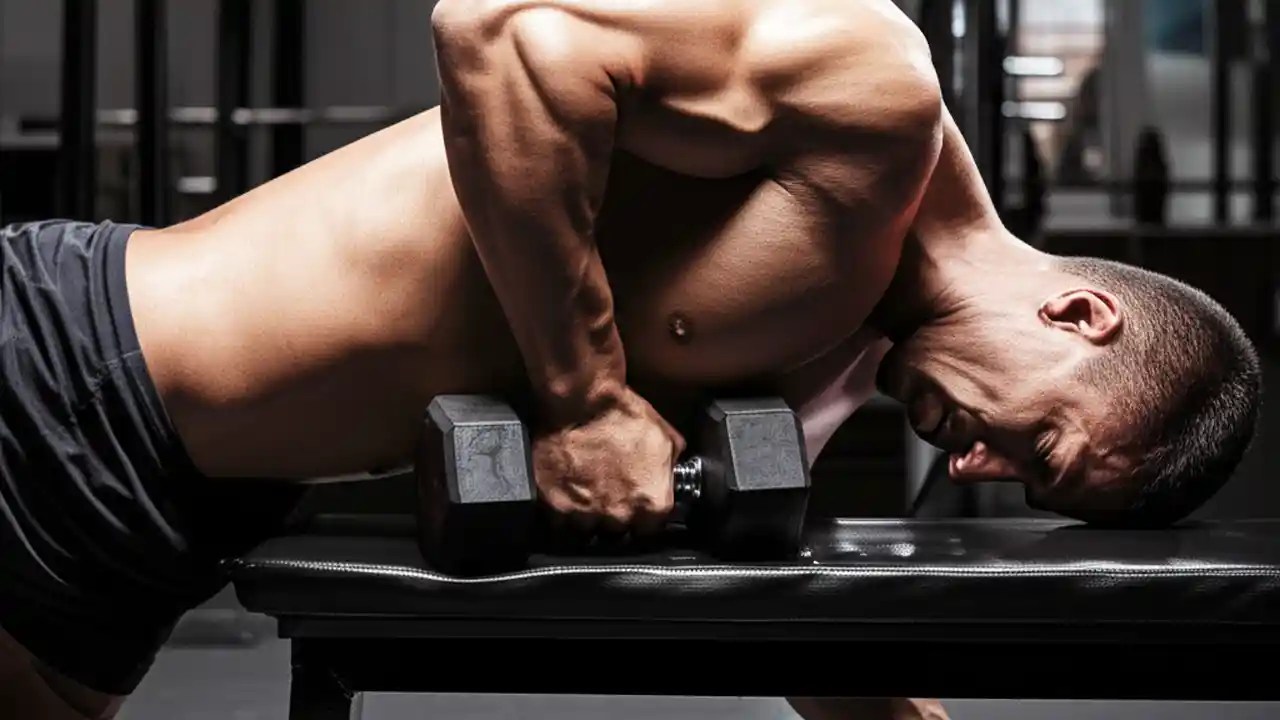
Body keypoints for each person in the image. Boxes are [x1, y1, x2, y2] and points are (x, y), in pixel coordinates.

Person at [0, 0, 1261, 717]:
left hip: (171, 508)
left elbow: (790, 625)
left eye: (1022, 488)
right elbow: (504, 33)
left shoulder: (831, 366)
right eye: (1038, 444)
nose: (980, 469)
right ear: (1078, 317)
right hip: (59, 360)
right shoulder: (875, 94)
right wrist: (587, 395)